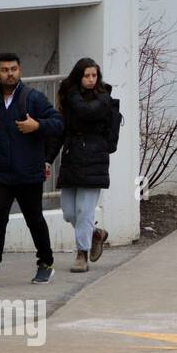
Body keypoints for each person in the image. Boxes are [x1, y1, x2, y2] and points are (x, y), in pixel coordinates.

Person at [0, 53, 64, 287]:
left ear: (20, 70)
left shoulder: (33, 98)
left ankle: (46, 264)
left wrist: (37, 125)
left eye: (13, 69)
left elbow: (58, 123)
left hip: (28, 173)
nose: (9, 73)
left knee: (34, 219)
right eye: (4, 69)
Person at [49, 58, 119, 272]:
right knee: (69, 212)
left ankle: (82, 254)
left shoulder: (103, 98)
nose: (91, 80)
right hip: (72, 158)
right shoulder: (70, 101)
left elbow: (86, 112)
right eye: (87, 75)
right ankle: (96, 234)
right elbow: (61, 130)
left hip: (94, 158)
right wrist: (47, 159)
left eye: (94, 75)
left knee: (84, 210)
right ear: (79, 77)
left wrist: (70, 94)